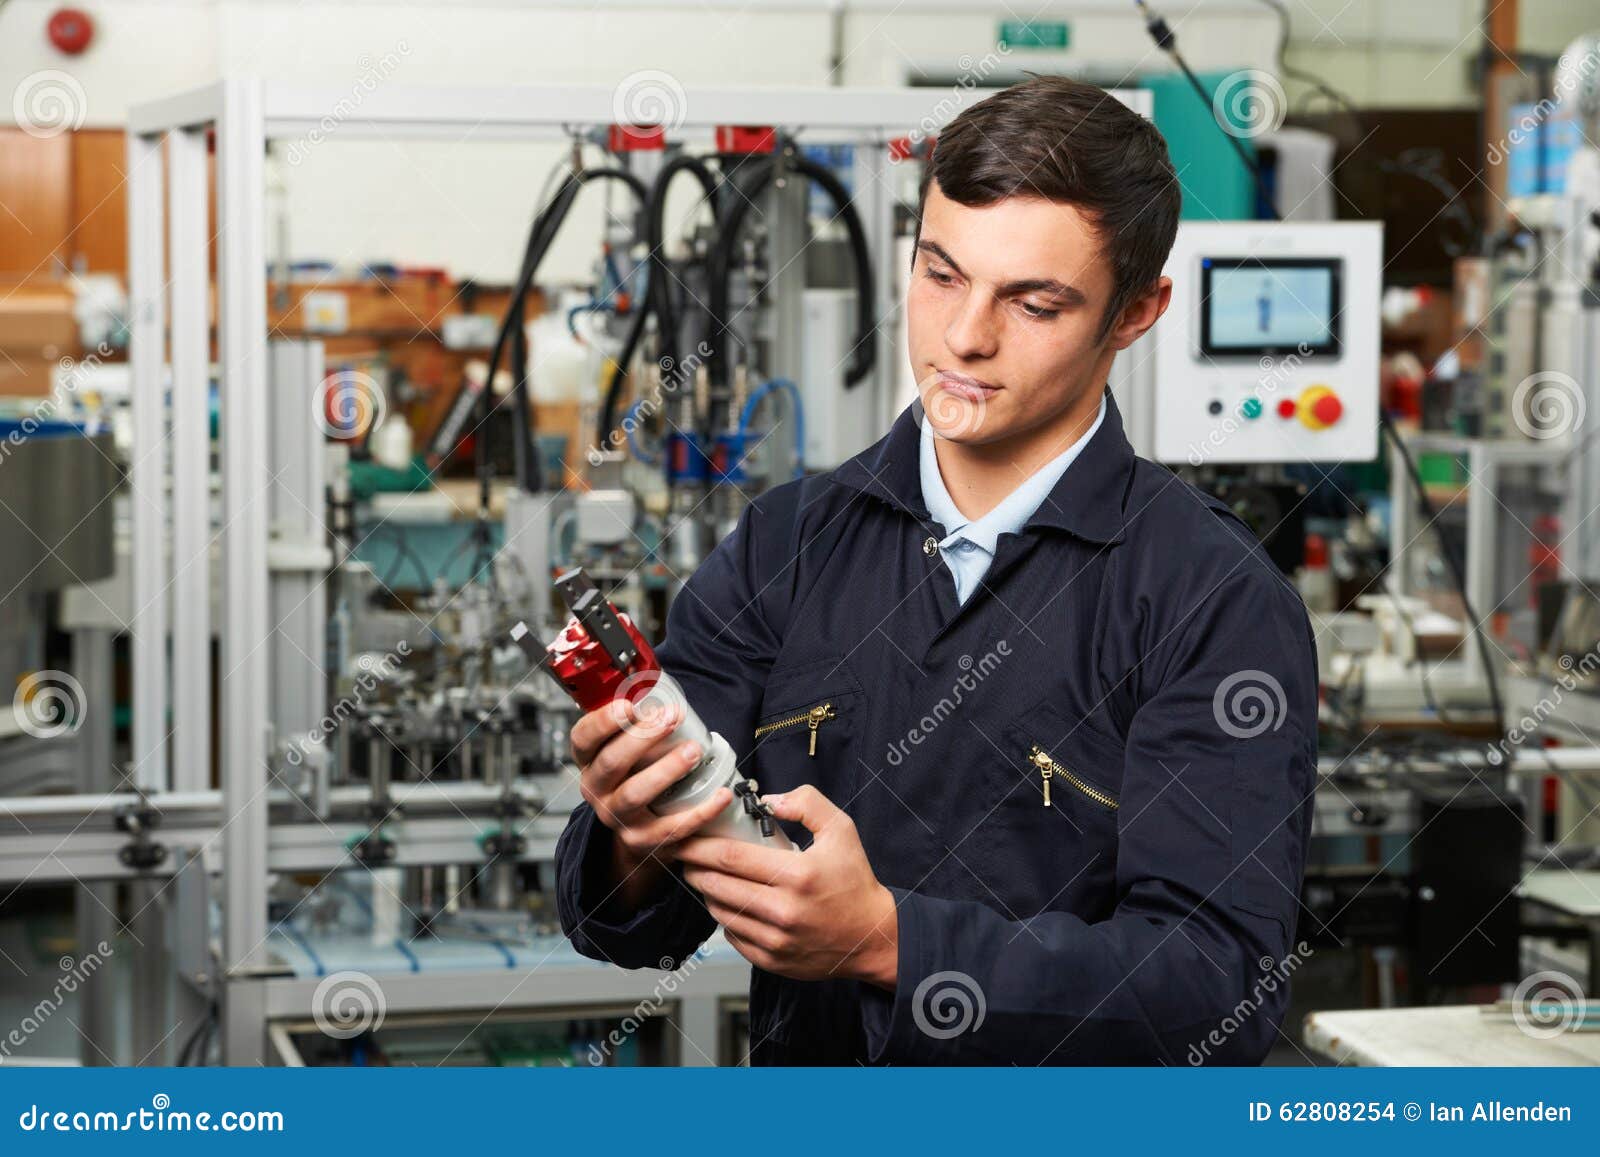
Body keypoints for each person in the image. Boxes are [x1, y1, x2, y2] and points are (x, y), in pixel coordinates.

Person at [555, 74, 1318, 1065]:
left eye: (1033, 302)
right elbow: (631, 926)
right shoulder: (785, 545)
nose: (963, 336)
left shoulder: (1209, 603)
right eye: (940, 273)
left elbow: (1213, 986)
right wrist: (631, 828)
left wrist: (889, 941)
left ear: (1135, 311)